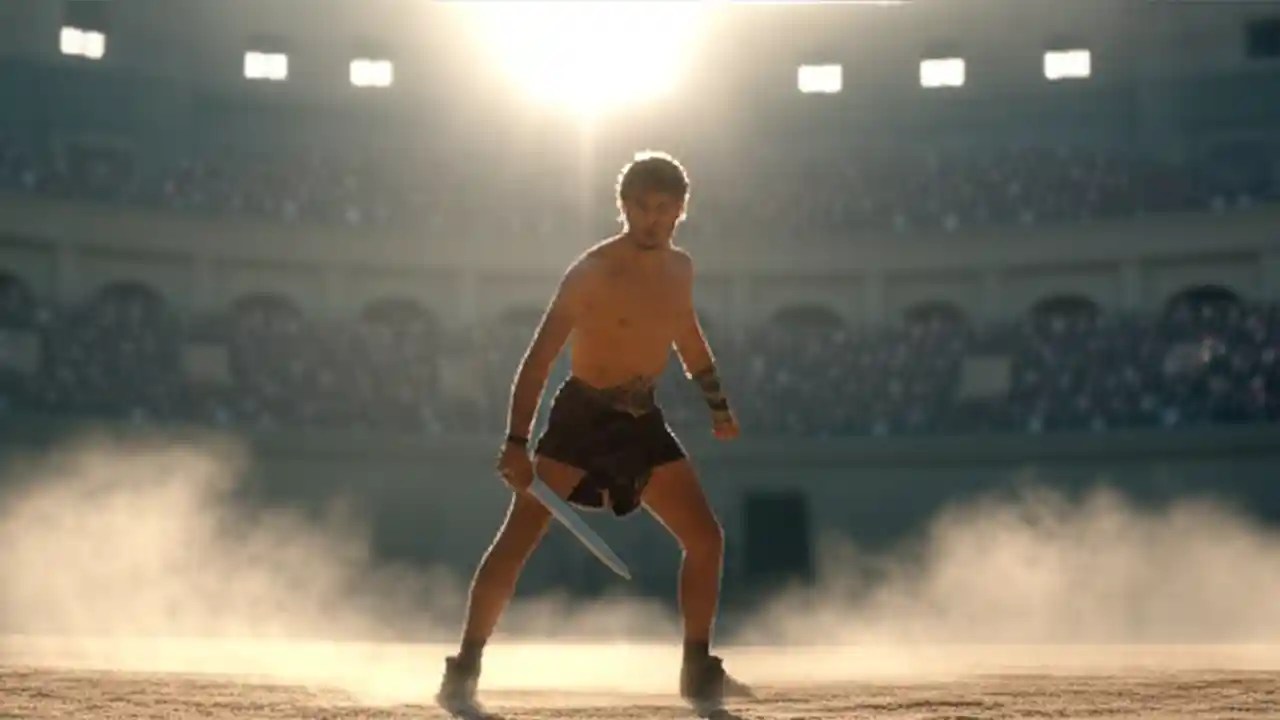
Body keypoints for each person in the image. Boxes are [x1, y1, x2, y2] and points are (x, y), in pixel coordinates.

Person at [436, 150, 752, 715]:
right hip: (582, 418)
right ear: (623, 207)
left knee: (706, 538)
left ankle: (697, 666)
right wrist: (515, 441)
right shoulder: (591, 271)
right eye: (641, 208)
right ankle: (464, 665)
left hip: (642, 419)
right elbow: (537, 361)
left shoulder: (681, 268)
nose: (653, 219)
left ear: (682, 209)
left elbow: (690, 340)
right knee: (519, 538)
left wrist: (718, 407)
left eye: (664, 208)